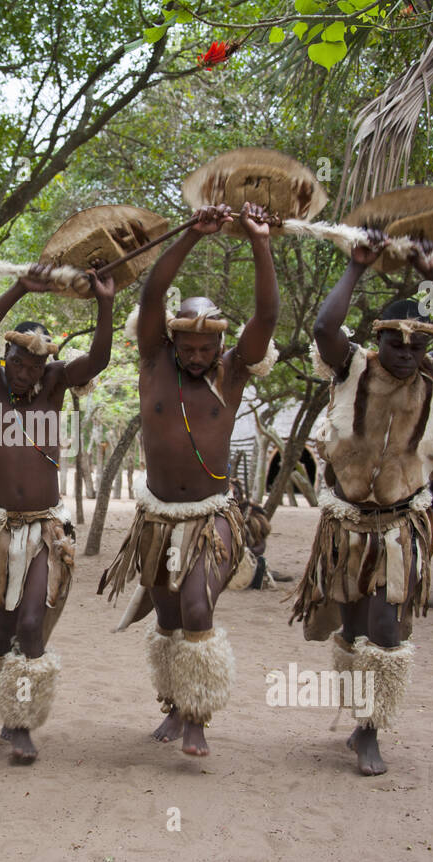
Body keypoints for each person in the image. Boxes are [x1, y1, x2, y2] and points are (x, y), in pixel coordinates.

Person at [291, 231, 433, 775]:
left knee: (386, 630)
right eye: (395, 343)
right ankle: (360, 717)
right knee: (356, 631)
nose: (405, 353)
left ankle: (369, 731)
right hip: (346, 524)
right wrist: (357, 265)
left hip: (399, 526)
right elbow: (322, 328)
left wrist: (432, 270)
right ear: (378, 339)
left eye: (415, 344)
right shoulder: (349, 366)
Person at [98, 202, 279, 757]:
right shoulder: (153, 362)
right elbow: (153, 295)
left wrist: (259, 241)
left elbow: (267, 319)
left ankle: (198, 715)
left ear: (222, 346)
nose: (198, 357)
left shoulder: (233, 372)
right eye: (190, 348)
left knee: (198, 607)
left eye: (208, 348)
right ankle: (176, 705)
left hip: (212, 517)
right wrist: (193, 237)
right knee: (171, 617)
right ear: (172, 342)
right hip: (156, 517)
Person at [0, 263, 114, 763]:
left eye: (32, 363)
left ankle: (21, 724)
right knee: (1, 635)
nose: (23, 370)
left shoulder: (54, 389)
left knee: (30, 625)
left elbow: (100, 359)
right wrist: (19, 288)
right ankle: (10, 707)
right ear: (4, 359)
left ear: (45, 365)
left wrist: (106, 304)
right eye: (16, 361)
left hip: (46, 529)